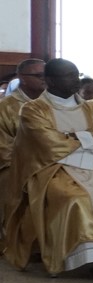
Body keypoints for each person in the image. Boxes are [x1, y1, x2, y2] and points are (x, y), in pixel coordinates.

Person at [2, 58, 93, 280]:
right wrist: (89, 139)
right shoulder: (32, 109)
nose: (75, 80)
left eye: (76, 74)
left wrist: (74, 137)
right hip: (53, 171)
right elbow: (49, 143)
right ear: (50, 80)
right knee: (76, 198)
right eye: (69, 76)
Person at [0, 58, 46, 226]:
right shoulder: (5, 108)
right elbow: (4, 150)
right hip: (17, 167)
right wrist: (36, 165)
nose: (44, 79)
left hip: (54, 163)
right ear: (22, 77)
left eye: (47, 75)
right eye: (39, 75)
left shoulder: (53, 103)